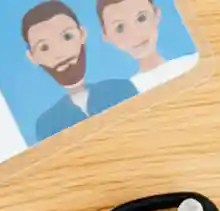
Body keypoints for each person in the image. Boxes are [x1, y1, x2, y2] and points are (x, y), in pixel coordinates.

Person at [23, 1, 138, 142]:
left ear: (82, 34)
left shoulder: (121, 89)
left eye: (67, 37)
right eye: (44, 47)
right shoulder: (46, 125)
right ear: (32, 57)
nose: (60, 53)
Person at [97, 0, 199, 92]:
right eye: (120, 27)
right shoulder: (126, 94)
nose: (135, 34)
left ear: (156, 14)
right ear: (106, 36)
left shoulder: (194, 62)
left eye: (141, 18)